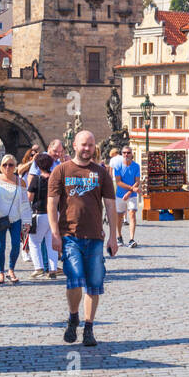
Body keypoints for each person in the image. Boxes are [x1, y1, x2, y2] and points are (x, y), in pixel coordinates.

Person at [48, 130, 118, 346]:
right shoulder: (61, 171)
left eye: (91, 145)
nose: (87, 148)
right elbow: (51, 203)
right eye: (83, 144)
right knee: (75, 279)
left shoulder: (101, 172)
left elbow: (110, 204)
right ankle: (73, 316)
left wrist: (113, 236)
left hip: (95, 236)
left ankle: (88, 327)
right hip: (70, 235)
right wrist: (54, 233)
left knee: (94, 284)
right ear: (74, 146)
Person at [26, 142, 64, 278]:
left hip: (40, 212)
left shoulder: (36, 179)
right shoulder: (55, 177)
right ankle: (53, 269)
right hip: (55, 212)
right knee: (51, 240)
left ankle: (39, 267)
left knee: (34, 241)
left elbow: (29, 197)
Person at [0, 154, 29, 284]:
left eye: (11, 164)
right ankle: (0, 272)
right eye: (5, 165)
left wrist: (27, 221)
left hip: (16, 218)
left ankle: (11, 269)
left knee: (15, 246)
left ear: (15, 166)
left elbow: (25, 203)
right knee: (1, 246)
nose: (8, 167)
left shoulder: (20, 181)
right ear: (1, 166)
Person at [112, 145, 142, 247]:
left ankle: (131, 239)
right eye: (124, 152)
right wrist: (132, 188)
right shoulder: (117, 166)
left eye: (128, 152)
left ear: (132, 154)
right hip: (120, 195)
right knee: (119, 216)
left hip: (132, 195)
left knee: (132, 214)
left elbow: (137, 181)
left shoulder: (136, 166)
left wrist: (130, 192)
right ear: (122, 154)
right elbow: (118, 182)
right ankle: (119, 236)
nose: (126, 154)